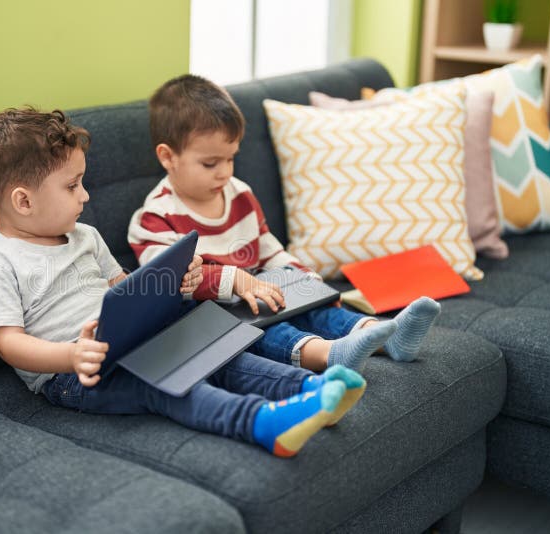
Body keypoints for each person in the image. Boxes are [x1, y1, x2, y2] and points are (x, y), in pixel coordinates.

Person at [0, 107, 366, 457]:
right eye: (72, 186)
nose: (85, 196)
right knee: (166, 384)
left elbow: (125, 287)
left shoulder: (85, 236)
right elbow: (8, 343)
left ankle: (311, 389)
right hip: (74, 374)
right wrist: (71, 357)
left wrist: (170, 286)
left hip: (134, 338)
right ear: (23, 201)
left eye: (82, 182)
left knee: (217, 346)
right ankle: (260, 424)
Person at [128, 74, 441, 372]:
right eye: (210, 163)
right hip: (213, 318)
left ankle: (385, 336)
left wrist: (299, 273)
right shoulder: (154, 218)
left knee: (316, 306)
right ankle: (331, 355)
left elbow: (267, 247)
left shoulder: (239, 194)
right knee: (268, 331)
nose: (224, 172)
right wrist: (233, 278)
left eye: (231, 158)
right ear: (168, 157)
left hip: (262, 293)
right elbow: (167, 282)